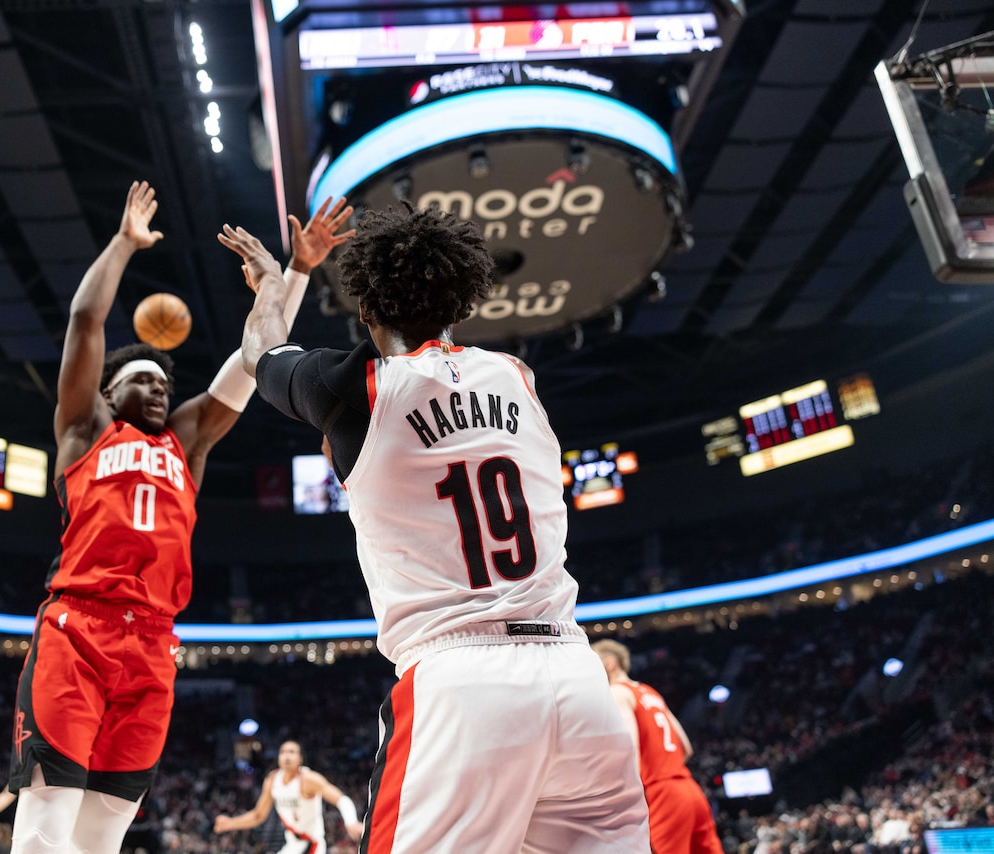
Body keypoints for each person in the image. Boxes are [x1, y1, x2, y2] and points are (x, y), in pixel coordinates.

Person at [220, 203, 649, 853]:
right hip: (577, 677)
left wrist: (284, 279)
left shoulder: (355, 389)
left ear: (365, 311)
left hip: (462, 685)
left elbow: (262, 353)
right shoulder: (518, 377)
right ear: (459, 304)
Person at [7, 181, 352, 854]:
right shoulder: (86, 429)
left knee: (100, 837)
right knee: (46, 834)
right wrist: (123, 245)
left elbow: (253, 366)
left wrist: (293, 277)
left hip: (154, 647)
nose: (160, 389)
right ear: (110, 391)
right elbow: (84, 324)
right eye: (144, 380)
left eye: (167, 384)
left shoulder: (185, 442)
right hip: (79, 631)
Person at [591, 639, 724, 854]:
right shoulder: (649, 691)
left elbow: (630, 745)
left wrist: (627, 796)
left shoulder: (616, 692)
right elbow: (686, 747)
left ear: (609, 663)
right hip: (690, 789)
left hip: (662, 792)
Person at [213, 740, 364, 853]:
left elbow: (341, 799)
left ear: (300, 759)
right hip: (292, 844)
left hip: (312, 845)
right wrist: (231, 823)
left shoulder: (308, 779)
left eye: (292, 752)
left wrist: (350, 821)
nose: (287, 756)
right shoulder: (272, 780)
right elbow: (258, 815)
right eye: (283, 752)